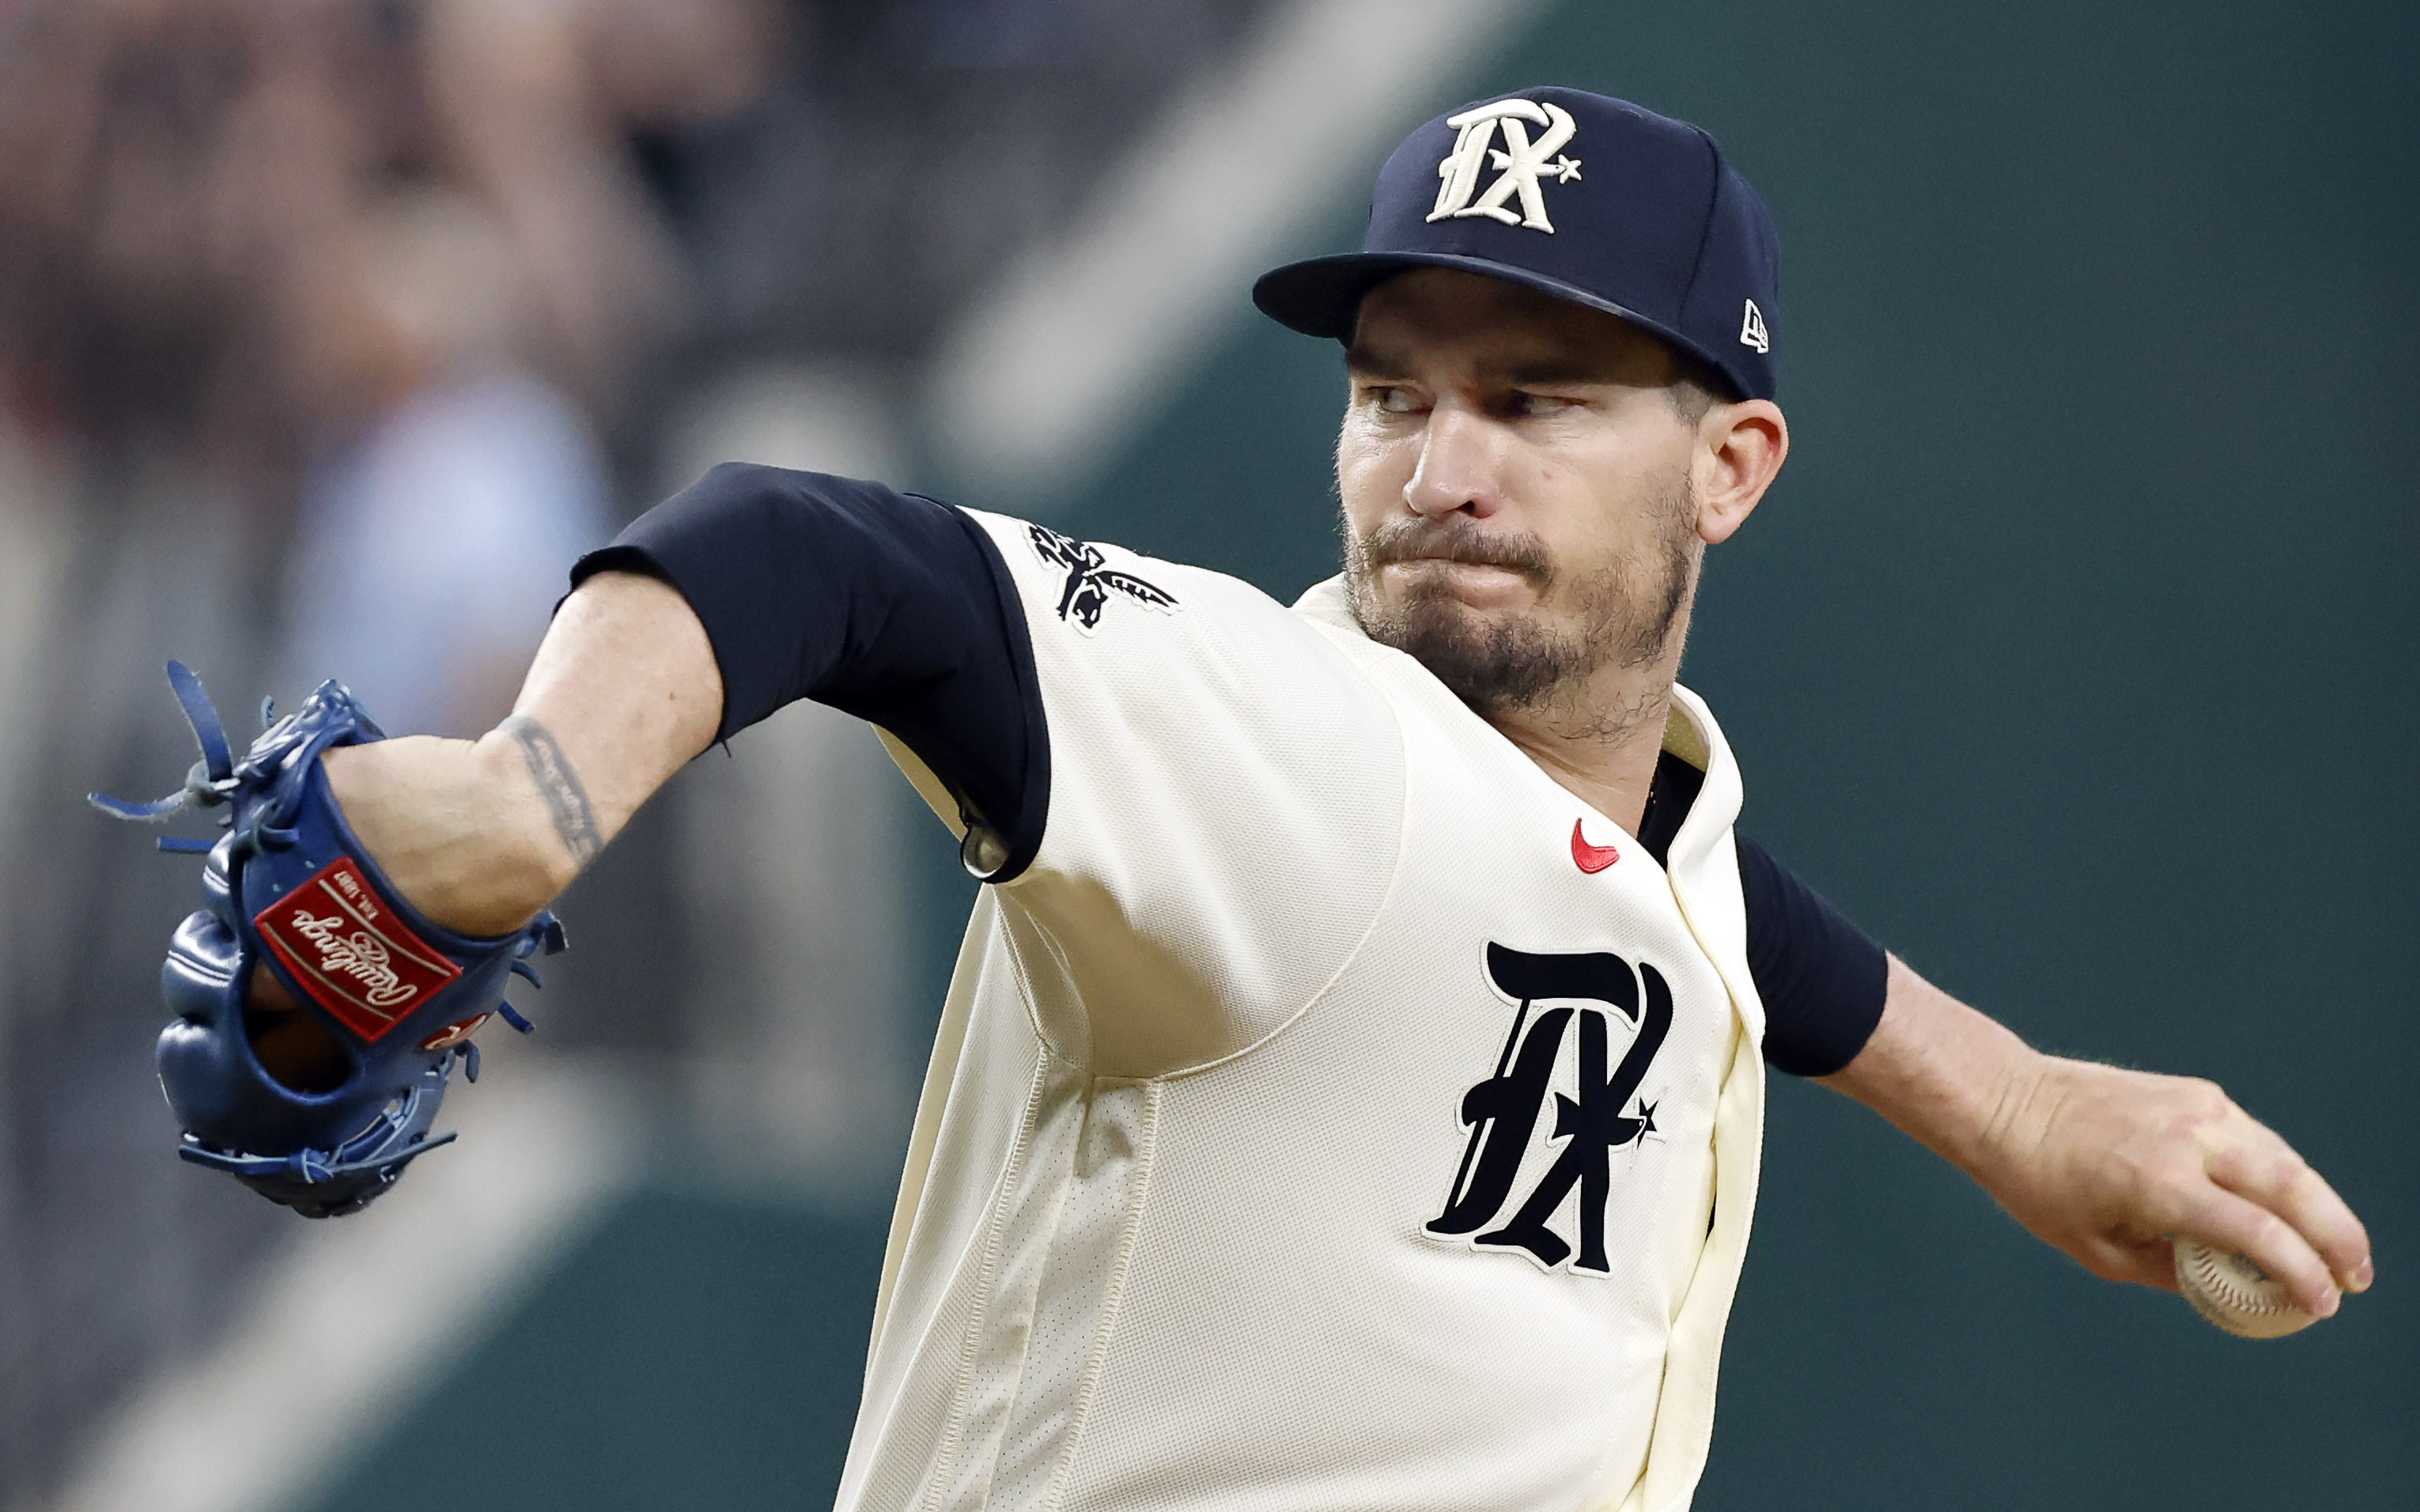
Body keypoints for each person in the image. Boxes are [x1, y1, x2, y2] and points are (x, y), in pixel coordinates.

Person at [241, 90, 2370, 1510]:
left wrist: (2006, 1101)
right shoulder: (1277, 728)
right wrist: (532, 794)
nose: (1440, 467)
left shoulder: (1628, 841)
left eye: (1534, 401)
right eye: (1389, 397)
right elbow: (811, 556)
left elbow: (1697, 919)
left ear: (1729, 466)